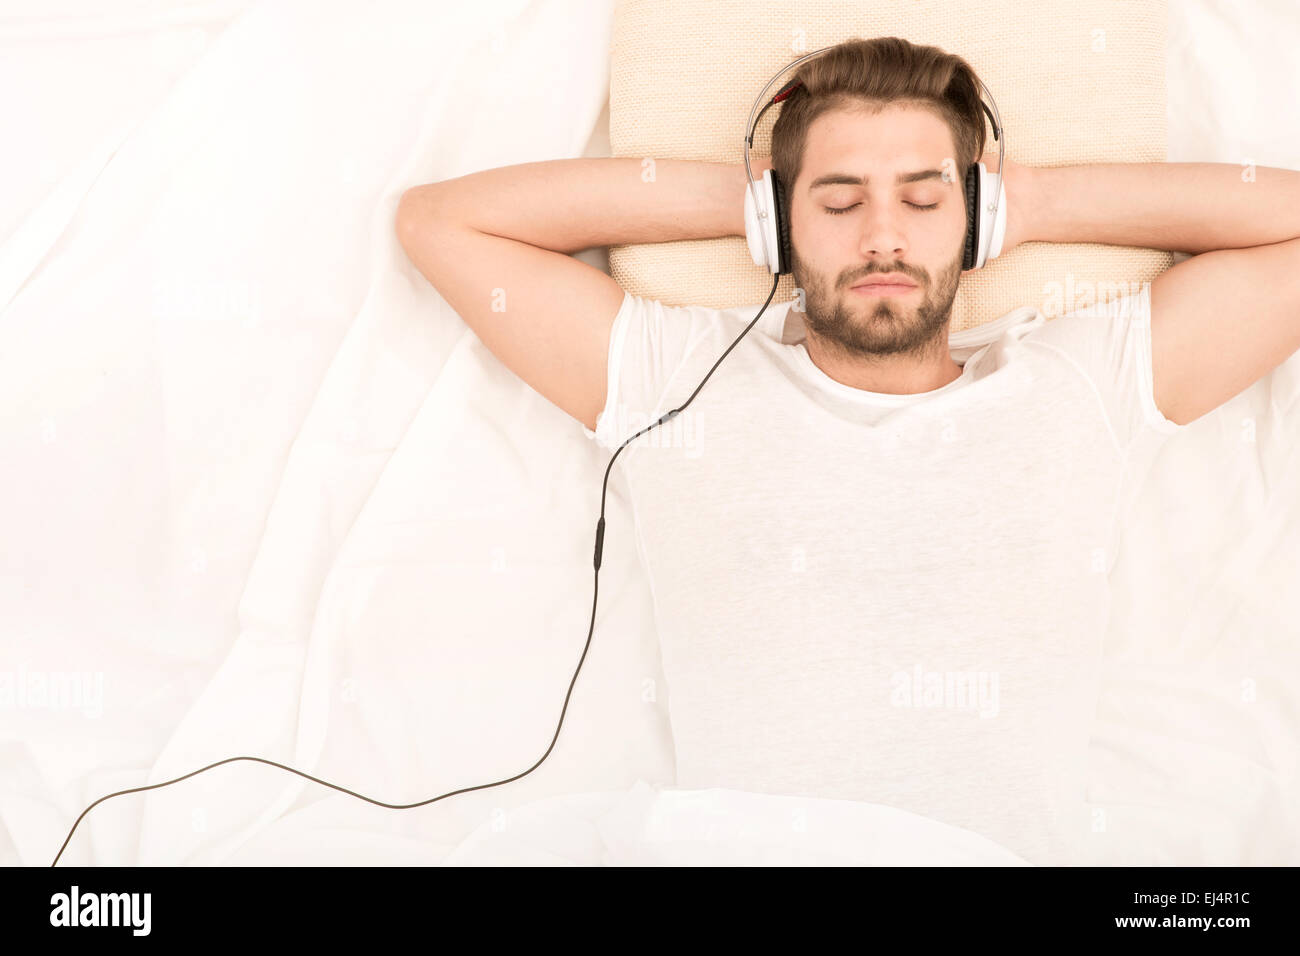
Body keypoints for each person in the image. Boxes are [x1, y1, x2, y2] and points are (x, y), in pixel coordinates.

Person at [395, 36, 1300, 865]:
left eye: (924, 196)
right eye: (838, 200)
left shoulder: (1084, 385)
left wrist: (1035, 202)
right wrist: (750, 198)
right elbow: (442, 224)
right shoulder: (680, 382)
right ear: (783, 222)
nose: (882, 238)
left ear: (976, 215)